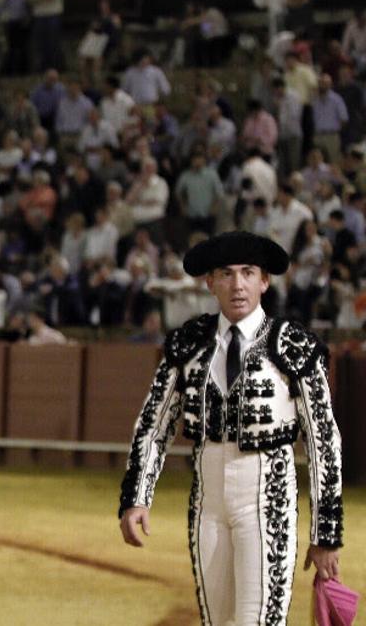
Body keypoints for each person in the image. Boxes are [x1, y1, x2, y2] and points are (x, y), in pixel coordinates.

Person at [118, 231, 343, 625]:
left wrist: (325, 534)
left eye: (248, 273)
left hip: (267, 498)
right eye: (226, 274)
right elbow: (154, 425)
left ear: (264, 281)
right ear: (210, 282)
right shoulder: (189, 344)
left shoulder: (294, 345)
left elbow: (324, 441)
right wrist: (136, 496)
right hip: (207, 501)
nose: (237, 285)